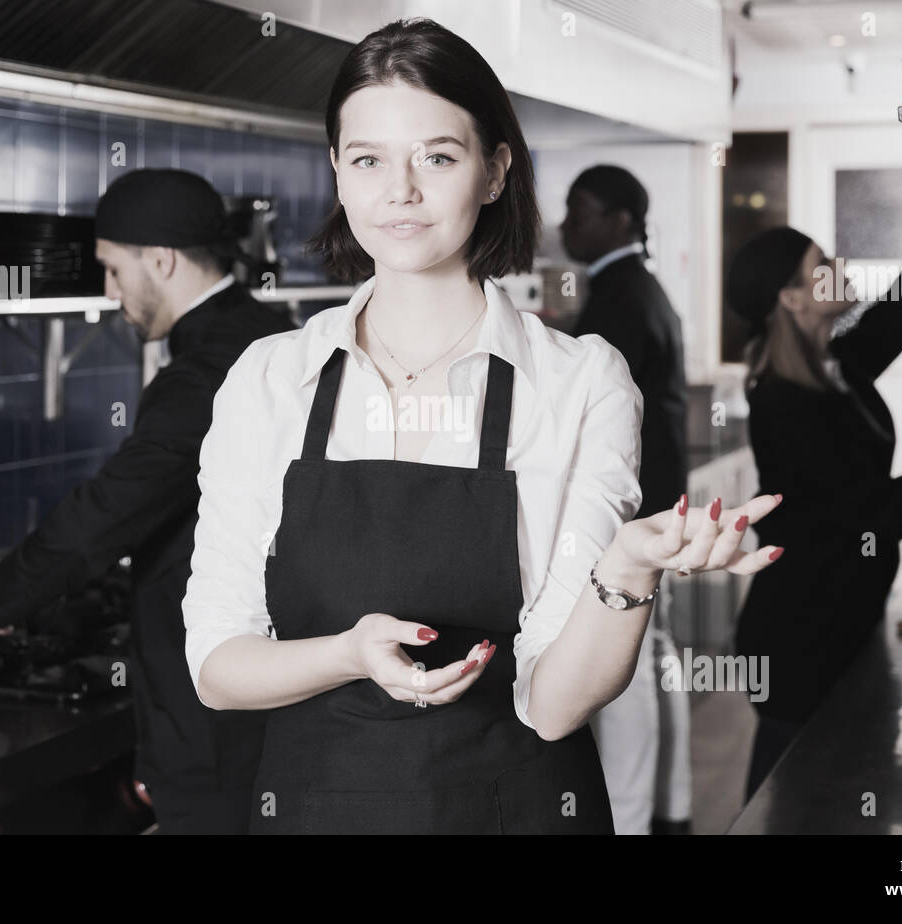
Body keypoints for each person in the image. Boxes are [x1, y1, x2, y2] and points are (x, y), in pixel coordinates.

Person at [182, 17, 783, 835]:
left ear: (495, 170)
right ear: (337, 171)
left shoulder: (576, 381)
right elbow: (218, 668)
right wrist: (347, 654)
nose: (400, 191)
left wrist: (629, 568)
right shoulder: (271, 380)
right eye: (368, 160)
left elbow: (553, 703)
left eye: (438, 156)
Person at [0, 169, 293, 833]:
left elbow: (118, 502)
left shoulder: (208, 367)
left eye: (112, 270)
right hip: (256, 693)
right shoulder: (266, 329)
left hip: (215, 709)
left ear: (159, 260)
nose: (110, 293)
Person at [727, 183, 902, 801]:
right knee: (788, 790)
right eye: (821, 266)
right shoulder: (781, 404)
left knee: (834, 777)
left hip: (842, 612)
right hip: (799, 632)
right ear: (793, 298)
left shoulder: (837, 366)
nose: (839, 269)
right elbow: (872, 516)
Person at [561, 165, 691, 834]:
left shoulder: (616, 294)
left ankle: (633, 817)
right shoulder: (642, 286)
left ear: (618, 219)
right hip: (659, 496)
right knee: (653, 651)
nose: (565, 226)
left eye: (578, 211)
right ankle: (672, 805)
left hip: (633, 506)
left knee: (629, 663)